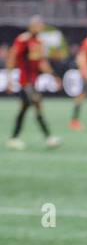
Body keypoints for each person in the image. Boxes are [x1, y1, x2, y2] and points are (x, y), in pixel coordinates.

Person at [6, 16, 61, 151]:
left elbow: (42, 63)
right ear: (32, 26)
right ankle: (48, 137)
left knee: (24, 109)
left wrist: (54, 76)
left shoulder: (39, 41)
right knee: (37, 103)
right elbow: (12, 57)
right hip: (25, 81)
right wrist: (9, 79)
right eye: (38, 25)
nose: (40, 27)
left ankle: (14, 138)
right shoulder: (23, 40)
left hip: (33, 81)